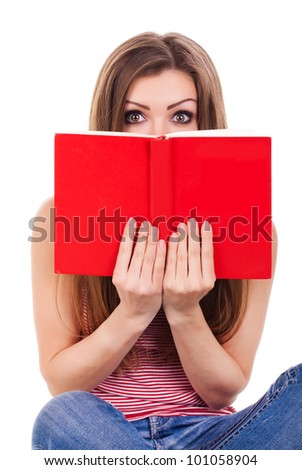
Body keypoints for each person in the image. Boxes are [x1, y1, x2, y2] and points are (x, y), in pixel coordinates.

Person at [31, 32, 302, 450]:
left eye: (181, 116)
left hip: (214, 439)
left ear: (205, 121)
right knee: (63, 415)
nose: (157, 135)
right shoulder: (57, 216)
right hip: (102, 435)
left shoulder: (253, 225)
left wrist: (183, 309)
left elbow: (223, 392)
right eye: (134, 116)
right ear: (110, 121)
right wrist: (134, 311)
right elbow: (61, 383)